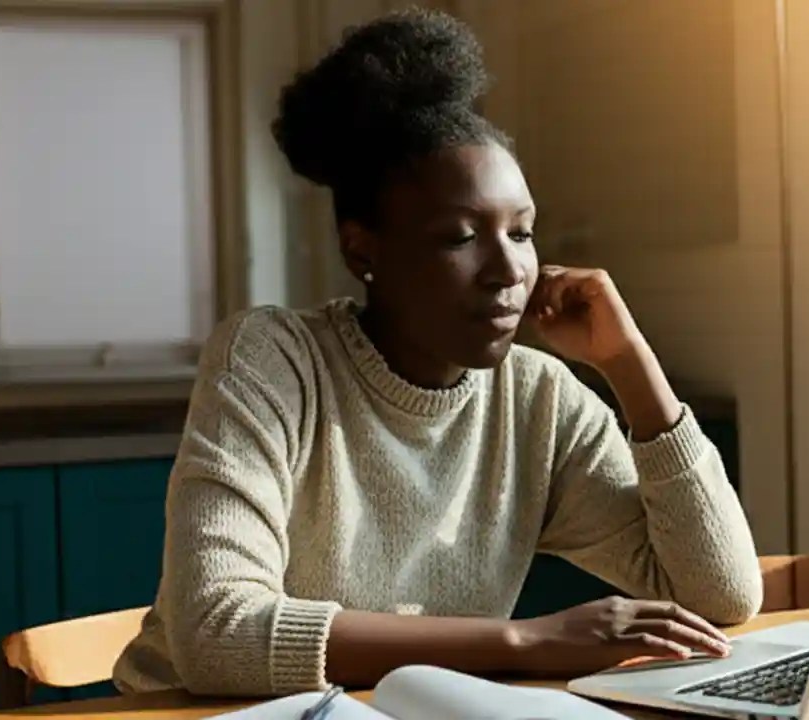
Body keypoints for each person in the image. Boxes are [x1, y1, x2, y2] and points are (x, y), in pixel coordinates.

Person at [113, 7, 762, 698]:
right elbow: (219, 636)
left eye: (522, 232)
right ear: (362, 248)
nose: (508, 270)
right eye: (460, 237)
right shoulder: (275, 360)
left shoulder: (538, 399)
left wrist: (630, 363)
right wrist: (525, 642)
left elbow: (721, 595)